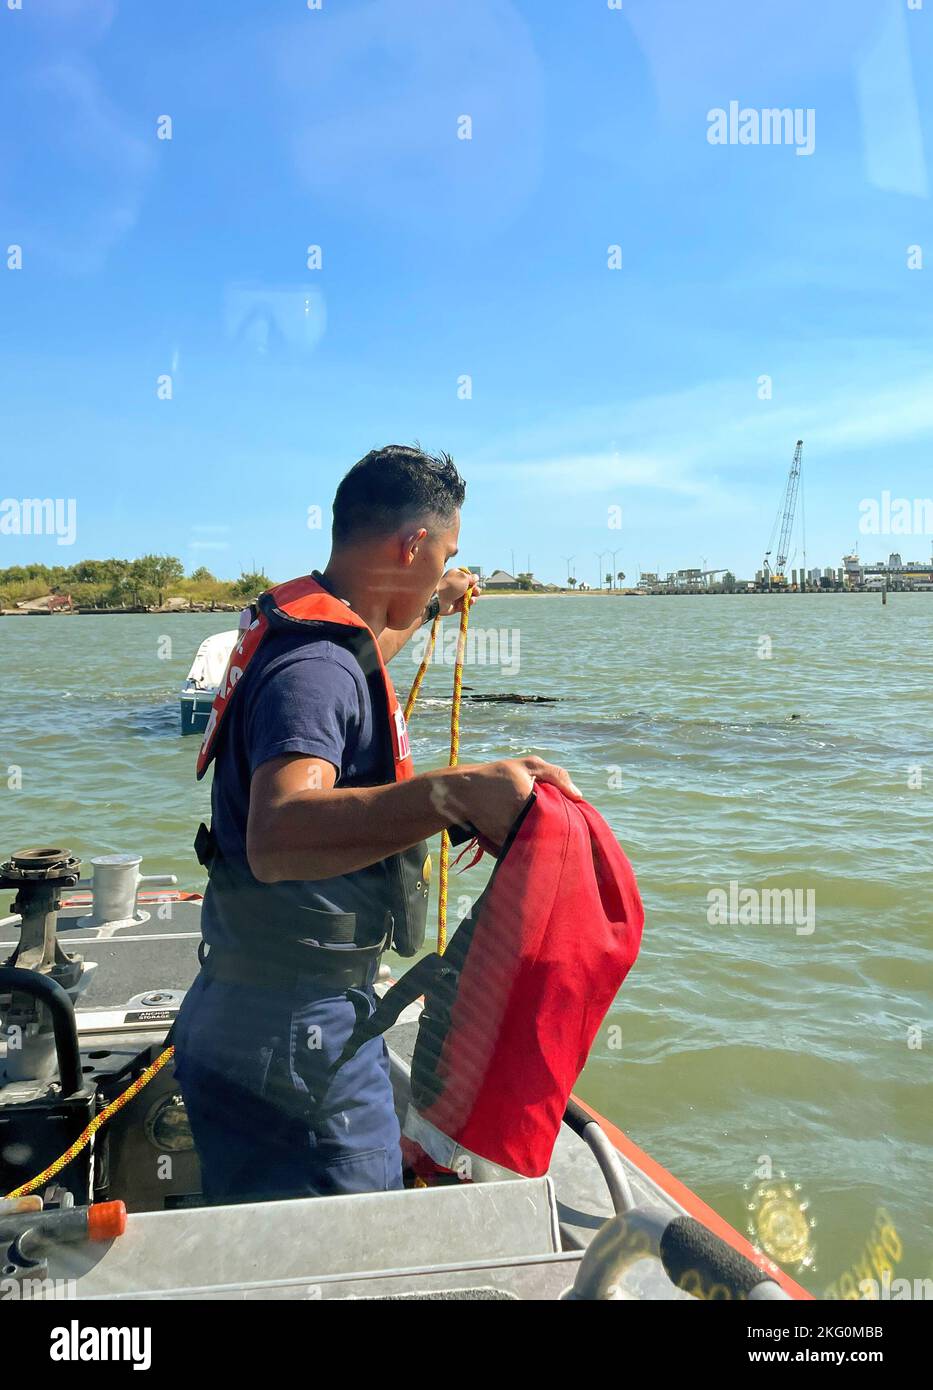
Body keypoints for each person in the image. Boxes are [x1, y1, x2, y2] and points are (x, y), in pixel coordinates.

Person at [172, 444, 580, 1204]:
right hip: (298, 1038)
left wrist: (432, 605)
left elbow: (358, 660)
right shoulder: (315, 668)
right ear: (412, 544)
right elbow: (279, 832)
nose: (444, 568)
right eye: (445, 554)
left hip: (256, 1009)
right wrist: (456, 795)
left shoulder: (317, 638)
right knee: (348, 1251)